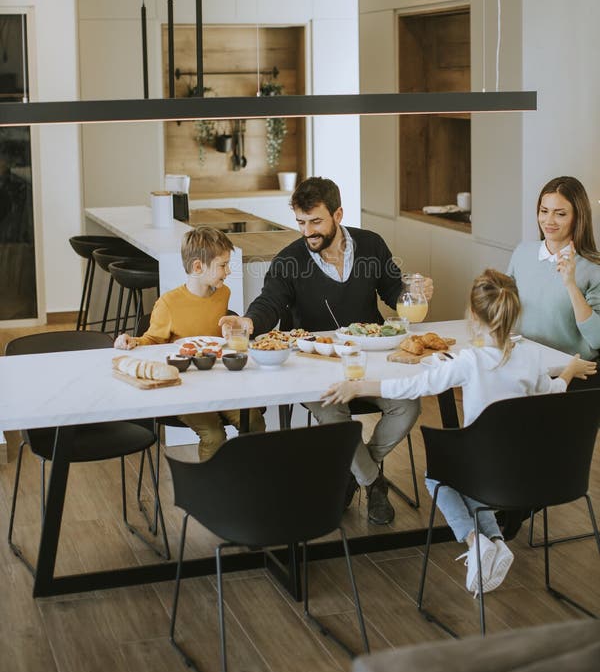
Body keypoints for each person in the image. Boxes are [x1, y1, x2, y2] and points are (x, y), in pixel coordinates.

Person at [322, 268, 596, 595]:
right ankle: (495, 542)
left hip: (483, 473)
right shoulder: (531, 356)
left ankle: (473, 539)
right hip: (527, 471)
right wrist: (569, 370)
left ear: (473, 316)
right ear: (514, 314)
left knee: (438, 476)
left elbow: (415, 386)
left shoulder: (470, 360)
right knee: (464, 468)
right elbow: (550, 392)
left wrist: (360, 386)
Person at [221, 176, 433, 526]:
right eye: (301, 223)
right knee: (334, 415)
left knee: (408, 405)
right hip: (313, 365)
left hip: (368, 362)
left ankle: (354, 473)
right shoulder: (289, 260)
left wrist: (417, 291)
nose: (308, 232)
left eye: (316, 221)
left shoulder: (371, 245)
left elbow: (394, 290)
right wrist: (247, 322)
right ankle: (374, 482)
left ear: (338, 214)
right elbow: (269, 303)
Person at [114, 226, 265, 460]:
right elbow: (152, 341)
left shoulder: (222, 293)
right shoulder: (168, 304)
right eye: (223, 265)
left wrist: (228, 329)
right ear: (198, 267)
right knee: (214, 435)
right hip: (184, 387)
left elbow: (215, 331)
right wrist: (131, 341)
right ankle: (210, 489)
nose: (228, 271)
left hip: (219, 380)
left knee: (254, 421)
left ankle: (245, 478)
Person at [508, 175, 600, 363]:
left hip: (569, 371)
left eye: (560, 214)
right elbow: (501, 305)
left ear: (577, 217)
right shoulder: (523, 252)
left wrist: (571, 284)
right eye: (544, 211)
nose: (549, 221)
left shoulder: (593, 269)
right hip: (522, 360)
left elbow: (597, 339)